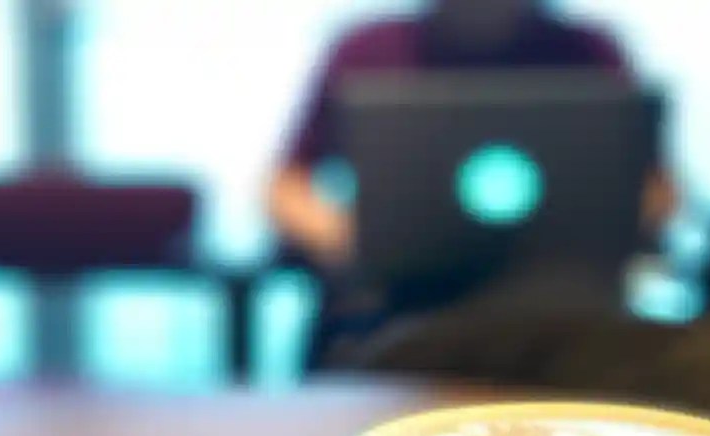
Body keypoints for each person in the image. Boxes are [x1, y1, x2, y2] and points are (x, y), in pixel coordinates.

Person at [268, 0, 677, 366]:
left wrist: (612, 231)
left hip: (560, 314)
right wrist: (351, 239)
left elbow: (658, 189)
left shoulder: (592, 51)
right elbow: (286, 186)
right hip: (394, 312)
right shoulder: (365, 48)